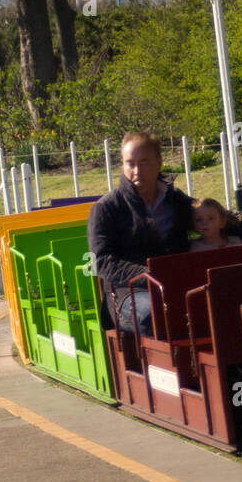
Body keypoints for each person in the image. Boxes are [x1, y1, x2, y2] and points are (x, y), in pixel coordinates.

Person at [88, 132, 196, 336]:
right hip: (128, 294)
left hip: (178, 284)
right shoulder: (107, 208)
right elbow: (101, 261)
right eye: (130, 164)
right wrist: (148, 274)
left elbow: (213, 216)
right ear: (122, 165)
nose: (137, 171)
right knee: (154, 314)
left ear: (159, 162)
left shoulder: (175, 200)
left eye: (144, 162)